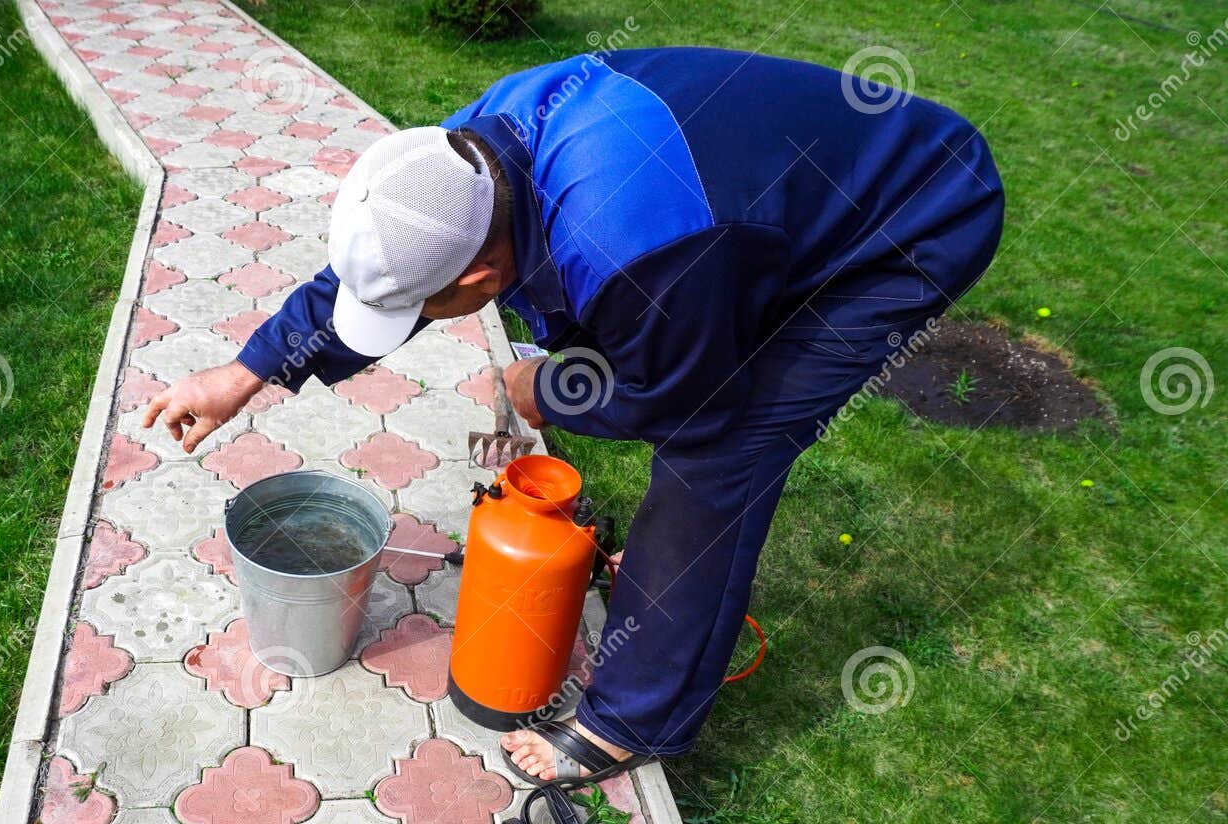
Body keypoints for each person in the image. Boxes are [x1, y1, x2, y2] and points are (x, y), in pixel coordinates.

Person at [145, 47, 1004, 784]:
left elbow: (679, 397)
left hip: (915, 217)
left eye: (421, 314)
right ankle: (670, 585)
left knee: (724, 449)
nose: (406, 325)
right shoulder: (457, 165)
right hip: (751, 209)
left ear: (480, 280)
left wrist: (545, 387)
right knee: (704, 352)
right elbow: (384, 270)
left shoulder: (635, 246)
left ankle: (630, 723)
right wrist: (244, 371)